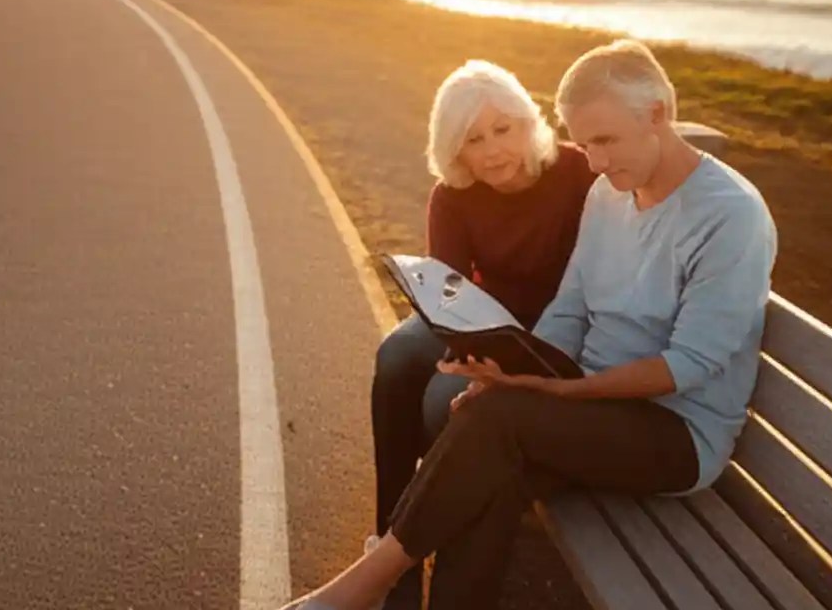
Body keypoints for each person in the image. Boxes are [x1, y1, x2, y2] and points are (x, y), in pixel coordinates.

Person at [283, 39, 778, 610]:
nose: (592, 160)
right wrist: (521, 369)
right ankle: (382, 585)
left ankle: (364, 584)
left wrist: (559, 390)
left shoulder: (730, 215)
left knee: (495, 423)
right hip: (591, 407)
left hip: (674, 434)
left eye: (606, 140)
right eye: (585, 143)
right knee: (483, 458)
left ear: (659, 115)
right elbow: (569, 308)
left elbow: (688, 367)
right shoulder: (607, 193)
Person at [369, 60, 595, 608]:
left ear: (528, 124)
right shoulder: (452, 196)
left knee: (441, 404)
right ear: (454, 149)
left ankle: (444, 528)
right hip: (484, 321)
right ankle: (391, 554)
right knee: (397, 357)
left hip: (552, 333)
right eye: (474, 138)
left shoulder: (577, 174)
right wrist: (458, 350)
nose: (494, 150)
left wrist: (470, 370)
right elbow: (449, 293)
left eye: (504, 129)